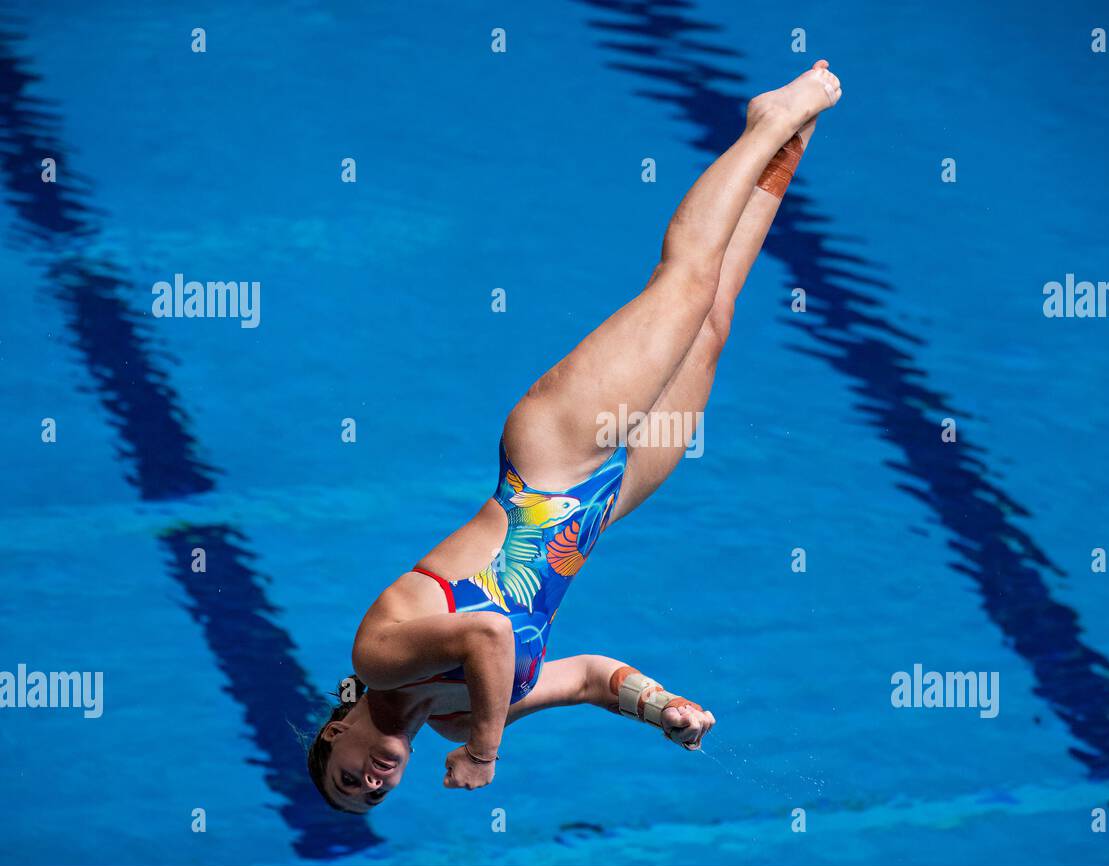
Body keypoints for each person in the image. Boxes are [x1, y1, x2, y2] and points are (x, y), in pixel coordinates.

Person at [308, 60, 842, 813]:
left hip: (550, 458)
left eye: (347, 777)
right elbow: (589, 677)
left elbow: (488, 633)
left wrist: (488, 751)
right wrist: (663, 709)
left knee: (682, 284)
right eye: (374, 796)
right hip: (606, 501)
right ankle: (787, 144)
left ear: (334, 735)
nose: (372, 780)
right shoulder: (458, 715)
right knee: (712, 320)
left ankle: (766, 122)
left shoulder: (379, 657)